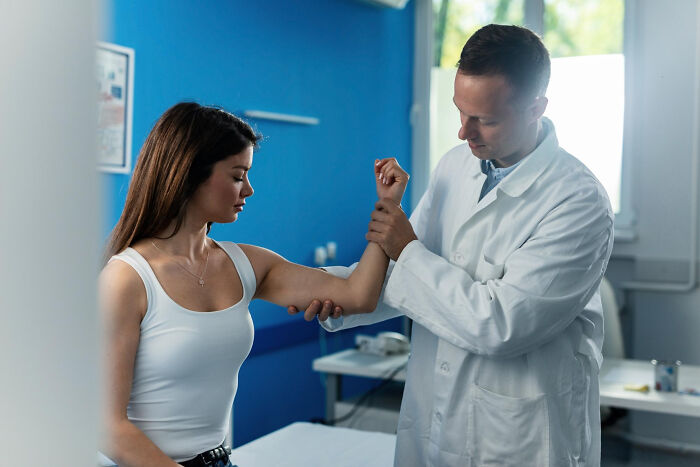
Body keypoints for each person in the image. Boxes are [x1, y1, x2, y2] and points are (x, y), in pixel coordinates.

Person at [291, 24, 614, 466]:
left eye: (487, 119)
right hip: (435, 417)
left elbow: (500, 324)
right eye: (461, 111)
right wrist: (335, 290)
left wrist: (405, 248)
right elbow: (407, 279)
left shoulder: (577, 199)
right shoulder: (455, 166)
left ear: (536, 106)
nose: (465, 133)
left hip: (519, 438)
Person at [98, 102, 409, 466]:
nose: (249, 190)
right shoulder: (127, 279)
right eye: (237, 175)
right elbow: (106, 426)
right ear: (188, 175)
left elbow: (358, 295)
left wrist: (388, 208)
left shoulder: (247, 264)